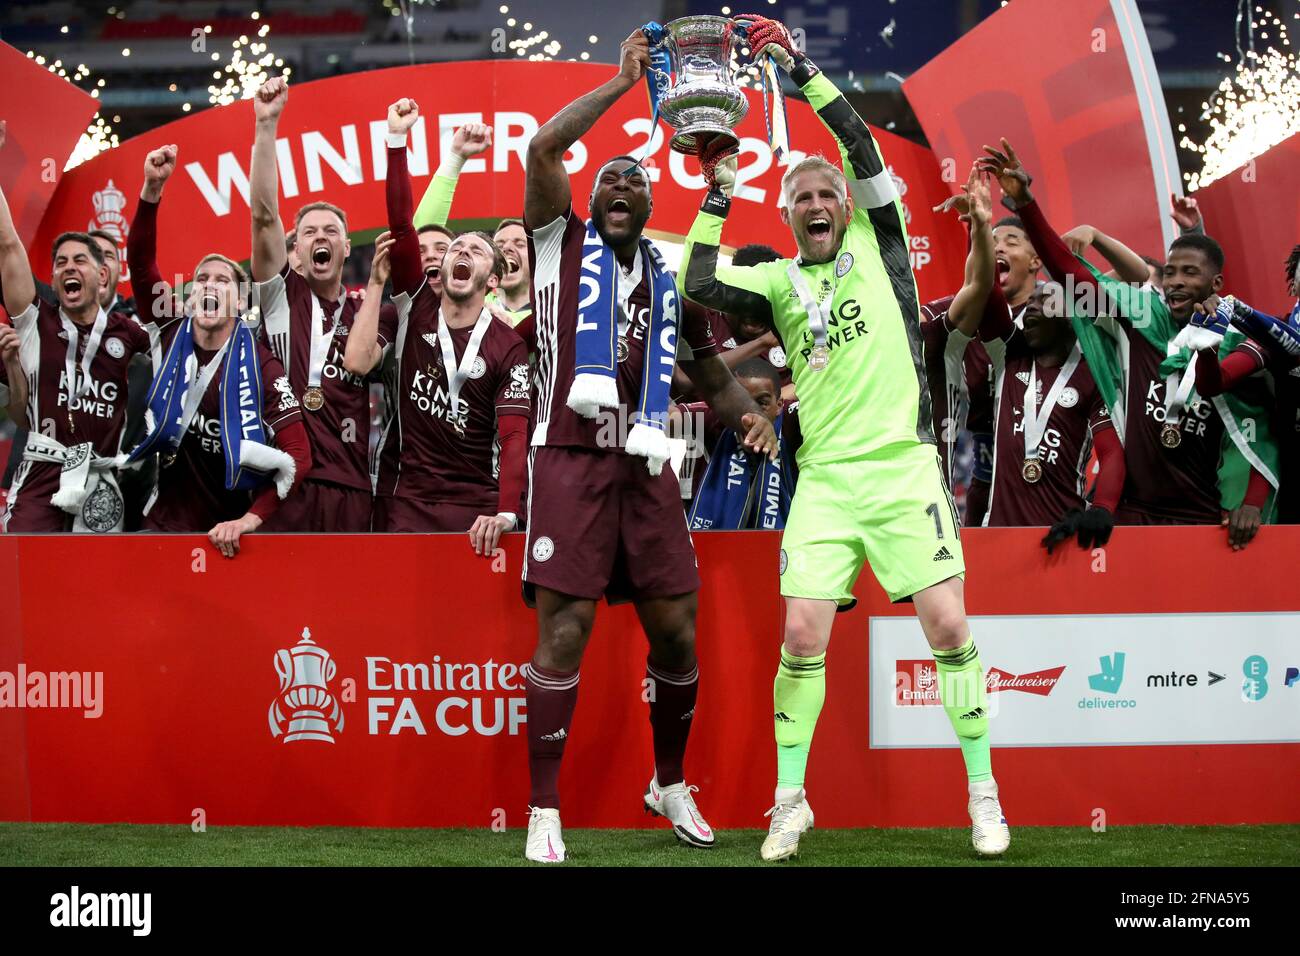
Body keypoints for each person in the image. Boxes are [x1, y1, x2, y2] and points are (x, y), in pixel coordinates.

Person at [682, 15, 1010, 862]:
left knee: (946, 628)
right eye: (803, 200)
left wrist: (799, 72)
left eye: (827, 195)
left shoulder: (881, 243)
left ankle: (983, 792)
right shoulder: (783, 283)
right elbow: (700, 280)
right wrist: (718, 195)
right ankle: (790, 801)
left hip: (903, 470)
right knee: (800, 638)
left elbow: (859, 144)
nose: (819, 205)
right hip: (824, 479)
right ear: (789, 216)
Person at [518, 29, 778, 863]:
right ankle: (544, 809)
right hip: (569, 455)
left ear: (651, 205)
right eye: (610, 181)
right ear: (590, 202)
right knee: (565, 634)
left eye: (635, 179)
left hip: (647, 464)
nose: (622, 185)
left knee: (676, 631)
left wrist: (752, 417)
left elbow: (710, 376)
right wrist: (625, 83)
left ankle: (669, 780)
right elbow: (544, 144)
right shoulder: (559, 245)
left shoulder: (673, 285)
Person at [979, 139, 1277, 549]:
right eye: (1170, 272)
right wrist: (1026, 202)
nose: (1174, 282)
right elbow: (1072, 274)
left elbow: (1258, 422)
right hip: (1131, 515)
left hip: (1202, 517)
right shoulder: (1141, 315)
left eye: (1189, 273)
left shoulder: (1239, 342)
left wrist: (1253, 502)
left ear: (1217, 285)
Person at [348, 98, 529, 548]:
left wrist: (507, 511)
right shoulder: (414, 307)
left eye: (477, 251)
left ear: (493, 279)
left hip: (478, 508)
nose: (463, 252)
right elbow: (403, 227)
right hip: (406, 502)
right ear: (441, 270)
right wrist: (396, 141)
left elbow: (513, 435)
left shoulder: (508, 343)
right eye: (456, 249)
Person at [127, 145, 311, 557]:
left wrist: (249, 520)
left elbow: (299, 455)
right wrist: (152, 190)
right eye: (202, 278)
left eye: (222, 280)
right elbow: (141, 264)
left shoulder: (261, 363)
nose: (209, 284)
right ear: (191, 296)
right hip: (161, 527)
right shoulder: (170, 332)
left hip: (228, 537)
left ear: (241, 300)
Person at [249, 75, 394, 532]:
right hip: (282, 480)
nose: (320, 237)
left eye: (331, 231)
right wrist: (266, 126)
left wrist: (375, 286)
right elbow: (263, 212)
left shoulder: (364, 312)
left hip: (350, 485)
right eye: (310, 231)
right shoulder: (279, 294)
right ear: (295, 248)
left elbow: (365, 360)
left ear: (347, 248)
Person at [0, 173, 152, 532]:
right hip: (40, 473)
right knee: (29, 575)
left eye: (79, 260)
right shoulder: (36, 322)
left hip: (100, 479)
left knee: (94, 583)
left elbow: (178, 349)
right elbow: (7, 245)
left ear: (102, 276)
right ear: (53, 281)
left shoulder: (128, 333)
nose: (69, 266)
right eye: (61, 262)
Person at [980, 284, 1125, 549]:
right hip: (998, 536)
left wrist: (1102, 508)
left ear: (1072, 318)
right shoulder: (1009, 358)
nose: (1031, 306)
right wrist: (982, 240)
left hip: (1063, 538)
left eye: (1045, 299)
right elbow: (988, 292)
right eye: (1030, 300)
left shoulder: (1091, 376)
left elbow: (1112, 452)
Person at [682, 356, 799, 529]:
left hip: (786, 546)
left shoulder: (792, 420)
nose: (752, 415)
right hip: (719, 549)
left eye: (762, 403)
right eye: (741, 403)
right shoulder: (717, 416)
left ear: (779, 405)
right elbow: (656, 417)